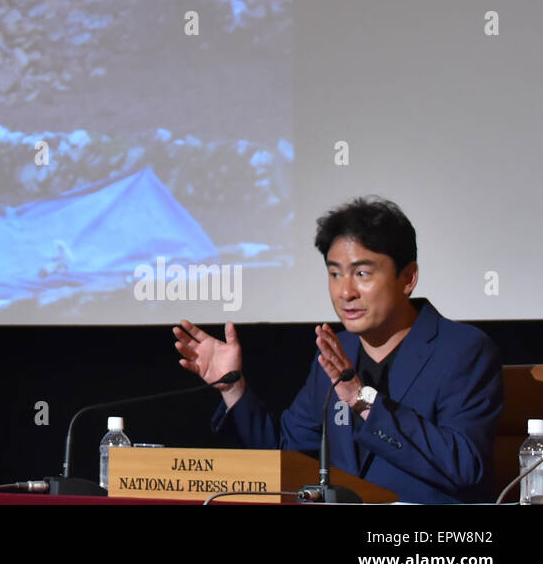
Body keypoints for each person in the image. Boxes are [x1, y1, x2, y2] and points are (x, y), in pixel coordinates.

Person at [173, 196, 503, 503]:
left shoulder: (463, 351)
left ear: (407, 277)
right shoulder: (336, 352)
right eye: (334, 273)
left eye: (362, 273)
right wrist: (233, 387)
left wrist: (362, 399)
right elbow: (286, 453)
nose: (345, 292)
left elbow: (465, 466)